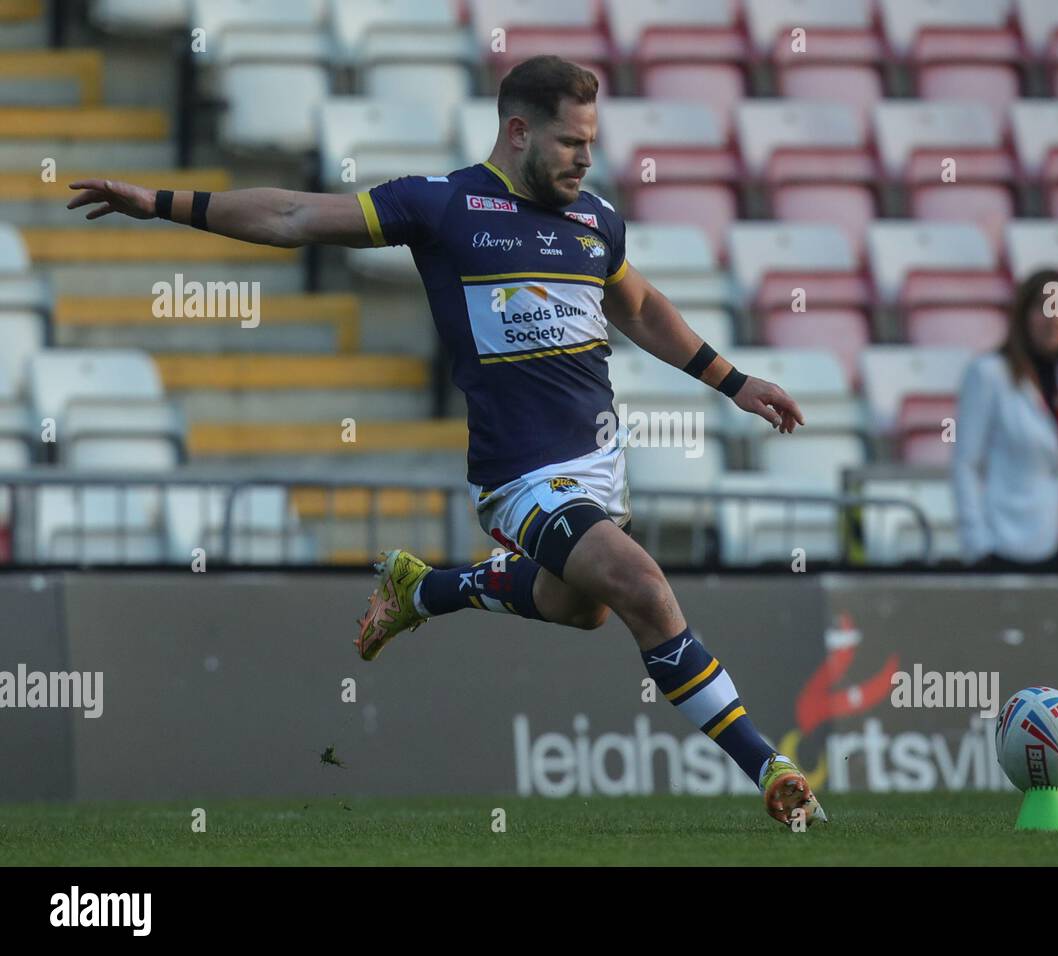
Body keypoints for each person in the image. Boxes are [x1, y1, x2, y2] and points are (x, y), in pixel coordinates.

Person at [68, 55, 825, 827]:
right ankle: (770, 766)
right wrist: (163, 204)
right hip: (521, 477)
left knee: (582, 608)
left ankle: (425, 590)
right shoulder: (443, 205)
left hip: (599, 469)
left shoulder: (595, 221)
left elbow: (639, 308)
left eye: (591, 142)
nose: (586, 158)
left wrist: (735, 382)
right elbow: (292, 215)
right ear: (519, 131)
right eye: (570, 142)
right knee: (643, 588)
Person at [953, 269, 1058, 569]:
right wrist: (978, 544)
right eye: (1044, 307)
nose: (1054, 319)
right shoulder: (988, 374)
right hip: (1010, 541)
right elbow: (966, 464)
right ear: (1023, 315)